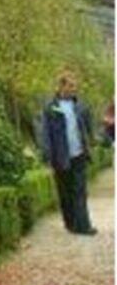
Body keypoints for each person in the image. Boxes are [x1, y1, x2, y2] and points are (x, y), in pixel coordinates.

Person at [39, 72, 96, 236]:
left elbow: (86, 127)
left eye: (74, 86)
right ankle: (70, 224)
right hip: (61, 157)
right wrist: (48, 157)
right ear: (61, 86)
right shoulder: (50, 107)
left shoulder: (79, 106)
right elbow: (46, 134)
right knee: (65, 192)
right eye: (70, 85)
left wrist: (90, 143)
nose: (74, 89)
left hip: (79, 155)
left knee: (80, 190)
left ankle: (84, 226)